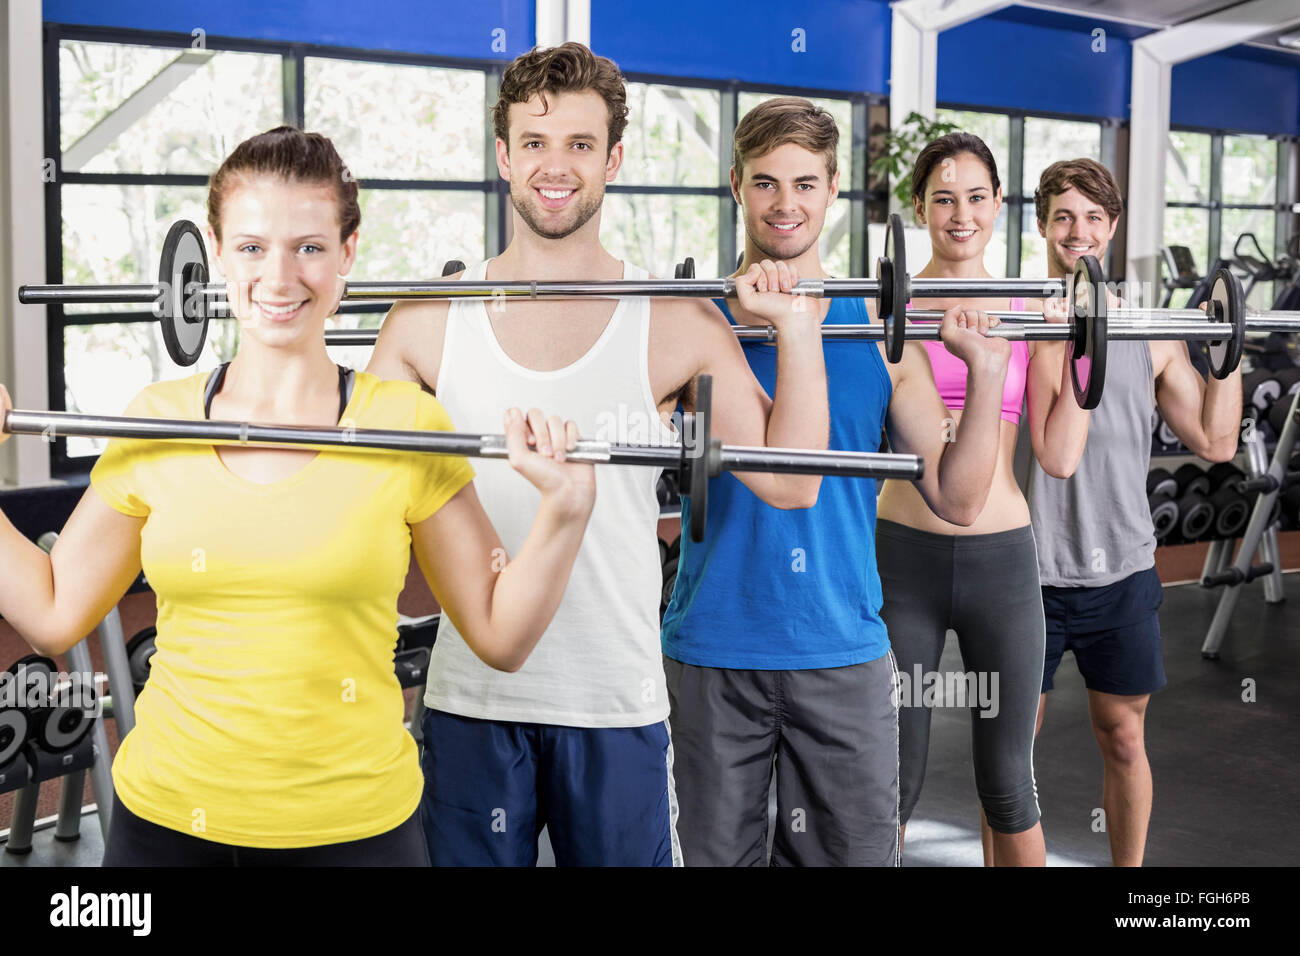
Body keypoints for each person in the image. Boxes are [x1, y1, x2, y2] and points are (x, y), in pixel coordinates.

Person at [0, 126, 597, 866]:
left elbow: (502, 637)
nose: (280, 278)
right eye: (252, 247)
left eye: (309, 247)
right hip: (165, 825)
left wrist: (566, 511)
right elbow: (54, 613)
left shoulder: (403, 423)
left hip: (357, 832)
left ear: (347, 254)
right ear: (215, 254)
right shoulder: (155, 420)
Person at [365, 44, 829, 867]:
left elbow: (792, 484)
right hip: (472, 697)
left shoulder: (674, 321)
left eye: (580, 145)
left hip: (614, 701)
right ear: (503, 154)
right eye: (535, 143)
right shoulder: (426, 321)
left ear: (613, 159)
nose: (556, 167)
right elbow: (358, 508)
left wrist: (796, 335)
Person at [660, 98, 1011, 867]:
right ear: (735, 186)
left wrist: (986, 377)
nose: (786, 204)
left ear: (833, 191)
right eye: (765, 183)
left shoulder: (880, 333)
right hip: (715, 645)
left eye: (806, 184)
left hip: (842, 651)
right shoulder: (693, 324)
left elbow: (958, 498)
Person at [1012, 158, 1241, 866]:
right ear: (1043, 225)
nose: (1077, 232)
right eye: (1062, 217)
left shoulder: (1147, 330)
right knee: (1009, 751)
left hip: (1123, 570)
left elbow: (1216, 440)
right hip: (1026, 572)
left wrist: (1229, 348)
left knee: (1123, 735)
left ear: (1110, 228)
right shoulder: (1016, 319)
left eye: (1091, 218)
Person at [877, 132, 1092, 867]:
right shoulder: (890, 310)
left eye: (975, 197)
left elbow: (1059, 454)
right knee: (891, 783)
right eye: (942, 198)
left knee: (1008, 783)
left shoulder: (1034, 308)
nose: (960, 214)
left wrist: (1081, 343)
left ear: (999, 204)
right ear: (918, 208)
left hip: (1001, 559)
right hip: (901, 560)